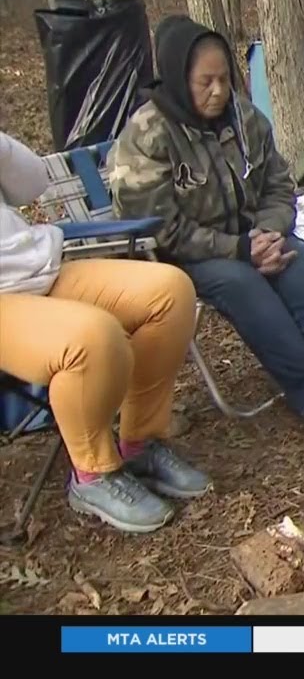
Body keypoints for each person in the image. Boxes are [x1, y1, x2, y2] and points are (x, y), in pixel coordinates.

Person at [109, 15, 304, 422]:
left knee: (298, 256)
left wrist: (267, 232)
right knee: (242, 282)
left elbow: (279, 186)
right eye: (205, 82)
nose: (218, 91)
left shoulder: (243, 120)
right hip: (185, 257)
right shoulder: (148, 135)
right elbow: (159, 230)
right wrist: (240, 249)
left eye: (225, 79)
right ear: (178, 78)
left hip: (251, 238)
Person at [1, 130, 207, 534]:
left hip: (41, 269)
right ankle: (92, 474)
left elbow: (34, 183)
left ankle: (139, 444)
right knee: (93, 337)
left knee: (169, 292)